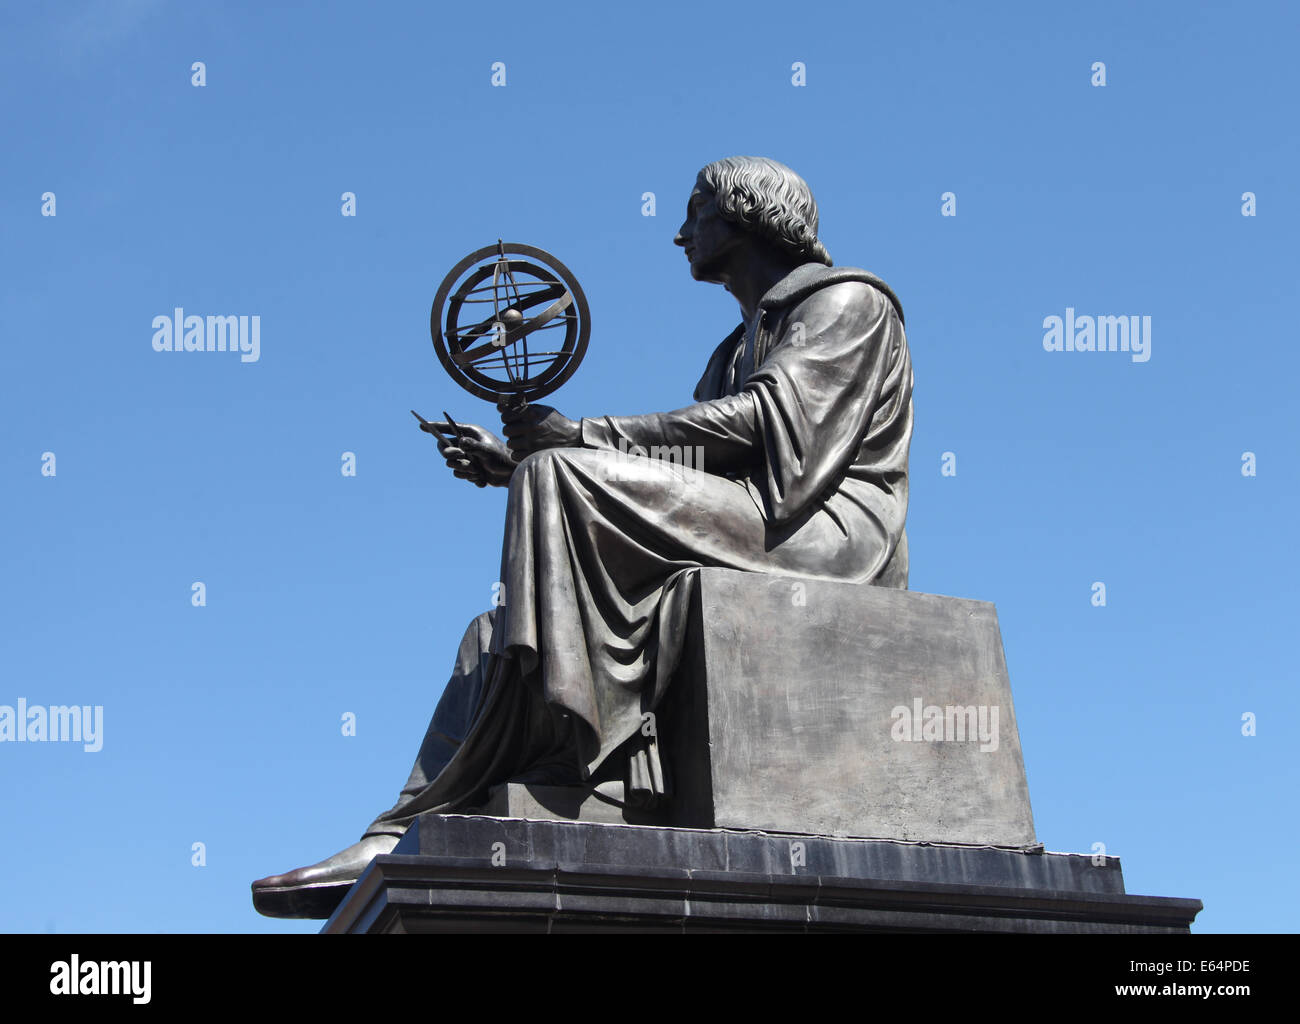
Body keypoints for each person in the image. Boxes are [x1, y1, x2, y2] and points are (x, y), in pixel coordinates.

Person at [251, 155, 913, 918]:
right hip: (750, 519)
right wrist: (519, 462)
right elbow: (696, 465)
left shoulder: (846, 303)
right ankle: (408, 825)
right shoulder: (731, 349)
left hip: (820, 533)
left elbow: (768, 430)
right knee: (488, 635)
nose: (679, 234)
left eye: (695, 213)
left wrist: (579, 439)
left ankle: (574, 755)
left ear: (744, 216)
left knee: (556, 477)